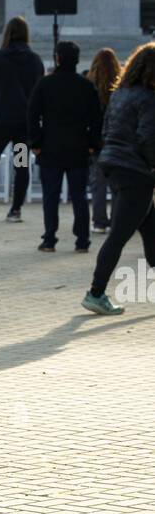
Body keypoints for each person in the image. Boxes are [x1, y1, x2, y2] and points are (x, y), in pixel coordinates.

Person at [82, 42, 155, 315]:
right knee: (118, 237)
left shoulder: (120, 94)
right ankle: (96, 292)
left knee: (151, 233)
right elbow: (149, 139)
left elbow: (107, 129)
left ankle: (97, 292)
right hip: (136, 171)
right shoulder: (149, 99)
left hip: (114, 164)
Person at [27, 40, 102, 254]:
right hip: (78, 147)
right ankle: (82, 240)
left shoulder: (45, 84)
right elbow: (97, 119)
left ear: (57, 58)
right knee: (79, 196)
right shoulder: (86, 85)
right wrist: (92, 145)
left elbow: (32, 115)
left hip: (50, 147)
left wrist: (36, 143)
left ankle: (50, 238)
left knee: (51, 196)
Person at [0, 16, 44, 223]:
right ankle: (15, 210)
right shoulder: (35, 60)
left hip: (2, 119)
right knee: (20, 164)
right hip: (24, 122)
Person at [86, 47, 121, 233]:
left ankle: (99, 221)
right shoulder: (121, 87)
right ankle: (116, 222)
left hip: (96, 142)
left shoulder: (90, 86)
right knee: (116, 185)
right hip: (116, 141)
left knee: (97, 184)